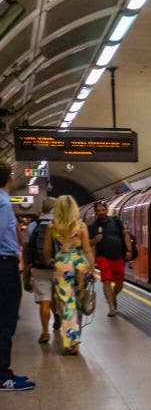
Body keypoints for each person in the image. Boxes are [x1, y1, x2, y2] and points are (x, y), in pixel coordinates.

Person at [0, 165, 35, 390]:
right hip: (4, 267)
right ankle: (4, 376)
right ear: (10, 178)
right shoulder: (3, 202)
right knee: (6, 322)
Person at [45, 195, 93, 356]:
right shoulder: (81, 225)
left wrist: (50, 260)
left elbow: (46, 251)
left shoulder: (51, 226)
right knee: (78, 303)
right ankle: (75, 342)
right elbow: (87, 249)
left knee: (67, 304)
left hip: (62, 265)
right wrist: (91, 267)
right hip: (80, 264)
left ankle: (70, 342)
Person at [23, 196, 60, 344]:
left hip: (39, 267)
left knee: (45, 300)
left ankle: (45, 331)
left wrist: (27, 267)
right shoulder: (60, 224)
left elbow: (26, 248)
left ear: (43, 210)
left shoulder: (33, 225)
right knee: (58, 296)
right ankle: (58, 314)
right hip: (59, 267)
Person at [88, 200, 132, 316]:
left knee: (120, 284)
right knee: (106, 280)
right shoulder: (93, 226)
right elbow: (88, 244)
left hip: (118, 256)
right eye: (98, 211)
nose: (101, 212)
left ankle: (113, 296)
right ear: (95, 213)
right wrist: (94, 240)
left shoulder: (116, 221)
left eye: (103, 210)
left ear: (106, 210)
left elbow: (125, 235)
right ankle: (111, 307)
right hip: (103, 257)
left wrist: (129, 250)